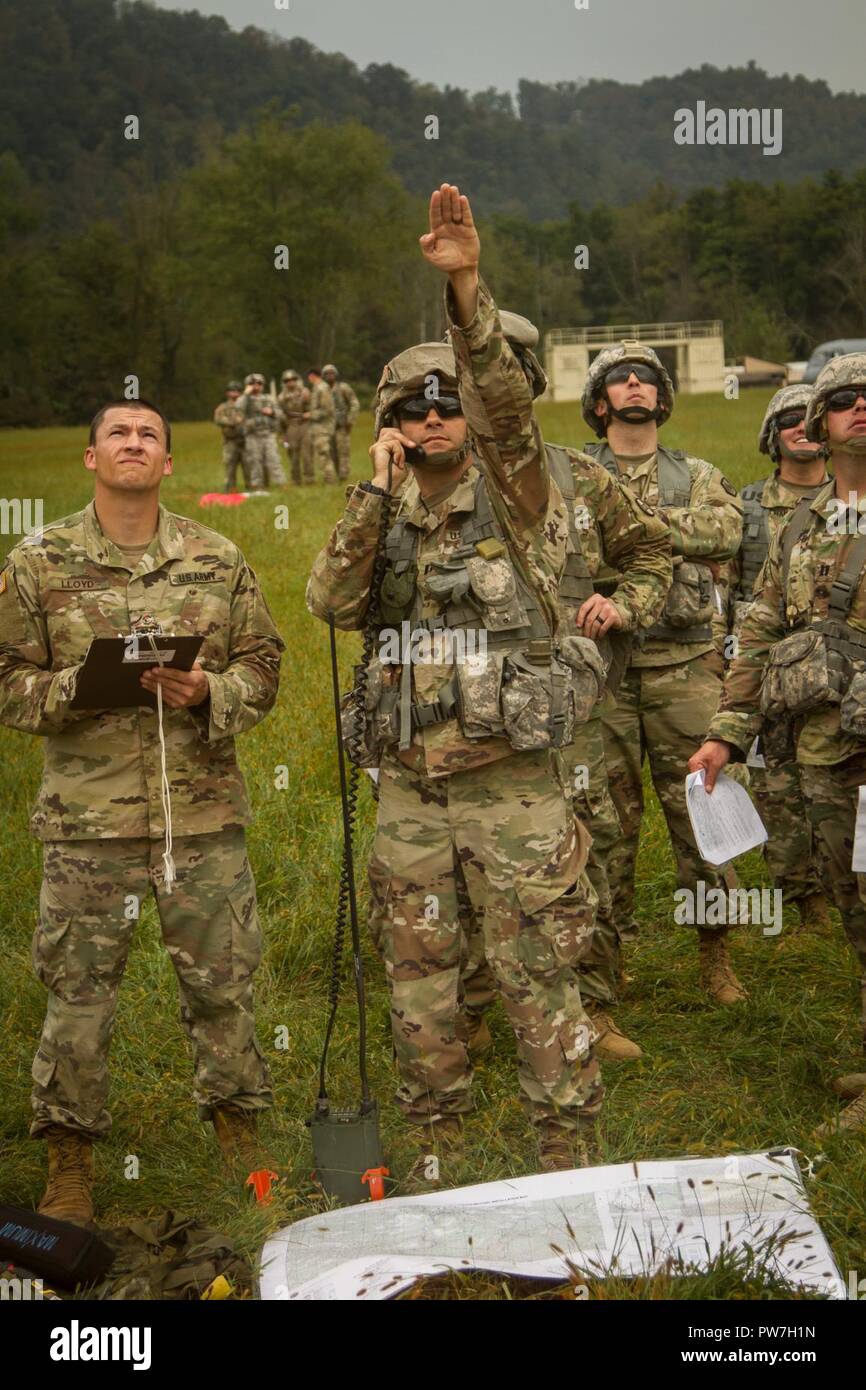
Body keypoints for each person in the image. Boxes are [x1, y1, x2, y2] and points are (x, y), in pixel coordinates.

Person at [307, 184, 605, 1176]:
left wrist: (467, 291)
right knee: (417, 974)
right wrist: (373, 488)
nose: (431, 419)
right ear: (387, 423)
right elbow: (330, 603)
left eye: (445, 404)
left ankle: (565, 1147)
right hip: (408, 787)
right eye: (409, 408)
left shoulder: (520, 494)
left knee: (533, 967)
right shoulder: (378, 505)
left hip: (508, 782)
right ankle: (432, 1141)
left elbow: (509, 415)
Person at [0, 400, 285, 1223]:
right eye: (118, 433)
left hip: (200, 818)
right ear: (91, 456)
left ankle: (239, 1133)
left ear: (167, 463)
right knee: (78, 993)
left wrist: (211, 691)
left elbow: (264, 663)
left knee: (224, 985)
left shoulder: (216, 557)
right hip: (89, 824)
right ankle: (70, 1161)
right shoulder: (38, 560)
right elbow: (5, 676)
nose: (133, 443)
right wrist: (73, 690)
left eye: (149, 435)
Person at [455, 310, 673, 1064]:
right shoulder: (428, 482)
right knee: (468, 866)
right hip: (464, 714)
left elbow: (651, 555)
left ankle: (594, 1008)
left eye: (511, 371)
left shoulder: (582, 477)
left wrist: (625, 604)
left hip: (575, 708)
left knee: (595, 849)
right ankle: (470, 1012)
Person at [689, 353, 866, 1135]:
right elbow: (757, 634)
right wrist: (727, 737)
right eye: (845, 401)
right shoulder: (802, 521)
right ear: (820, 424)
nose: (862, 410)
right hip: (826, 753)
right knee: (856, 907)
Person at [580, 345, 745, 1003]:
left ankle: (716, 957)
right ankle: (605, 964)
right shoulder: (572, 473)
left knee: (703, 819)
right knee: (601, 827)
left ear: (661, 397)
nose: (633, 383)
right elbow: (559, 537)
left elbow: (726, 530)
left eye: (646, 377)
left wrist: (628, 529)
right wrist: (665, 539)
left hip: (684, 668)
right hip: (601, 676)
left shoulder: (697, 473)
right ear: (600, 403)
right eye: (619, 379)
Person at [724, 385, 832, 929]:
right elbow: (729, 595)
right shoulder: (745, 508)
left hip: (841, 675)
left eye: (808, 416)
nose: (800, 426)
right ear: (773, 435)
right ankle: (802, 897)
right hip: (769, 677)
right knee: (777, 791)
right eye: (788, 418)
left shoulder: (849, 504)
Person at [236, 373, 287, 489]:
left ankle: (281, 484)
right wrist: (246, 393)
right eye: (252, 383)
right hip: (252, 435)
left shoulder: (268, 399)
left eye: (259, 383)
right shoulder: (245, 399)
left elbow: (281, 414)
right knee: (255, 461)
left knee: (274, 460)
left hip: (268, 434)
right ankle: (257, 485)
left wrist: (272, 412)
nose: (256, 386)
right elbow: (238, 408)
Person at [322, 364, 361, 482]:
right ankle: (335, 474)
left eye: (332, 373)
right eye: (327, 374)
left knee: (343, 451)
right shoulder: (321, 390)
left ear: (336, 374)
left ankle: (343, 476)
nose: (330, 376)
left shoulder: (343, 388)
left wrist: (350, 420)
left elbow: (354, 403)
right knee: (331, 452)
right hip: (327, 427)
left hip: (342, 426)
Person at [277, 369, 312, 486]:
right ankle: (296, 479)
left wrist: (309, 414)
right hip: (291, 426)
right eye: (287, 380)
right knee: (293, 454)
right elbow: (280, 416)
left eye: (293, 379)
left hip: (305, 424)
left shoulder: (305, 392)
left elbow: (312, 408)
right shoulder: (281, 397)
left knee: (307, 453)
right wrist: (282, 434)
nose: (290, 382)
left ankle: (309, 478)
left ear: (296, 380)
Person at [213, 381, 249, 491]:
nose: (235, 394)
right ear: (227, 393)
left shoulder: (245, 406)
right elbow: (218, 419)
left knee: (248, 465)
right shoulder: (223, 407)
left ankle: (251, 487)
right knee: (230, 466)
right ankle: (230, 488)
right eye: (232, 391)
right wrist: (233, 421)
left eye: (238, 391)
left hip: (245, 440)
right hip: (230, 441)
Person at [305, 368, 337, 484]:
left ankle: (330, 481)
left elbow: (327, 410)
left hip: (323, 428)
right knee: (322, 454)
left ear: (312, 376)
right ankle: (328, 480)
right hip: (318, 427)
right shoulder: (317, 388)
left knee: (324, 454)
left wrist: (310, 414)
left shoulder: (322, 388)